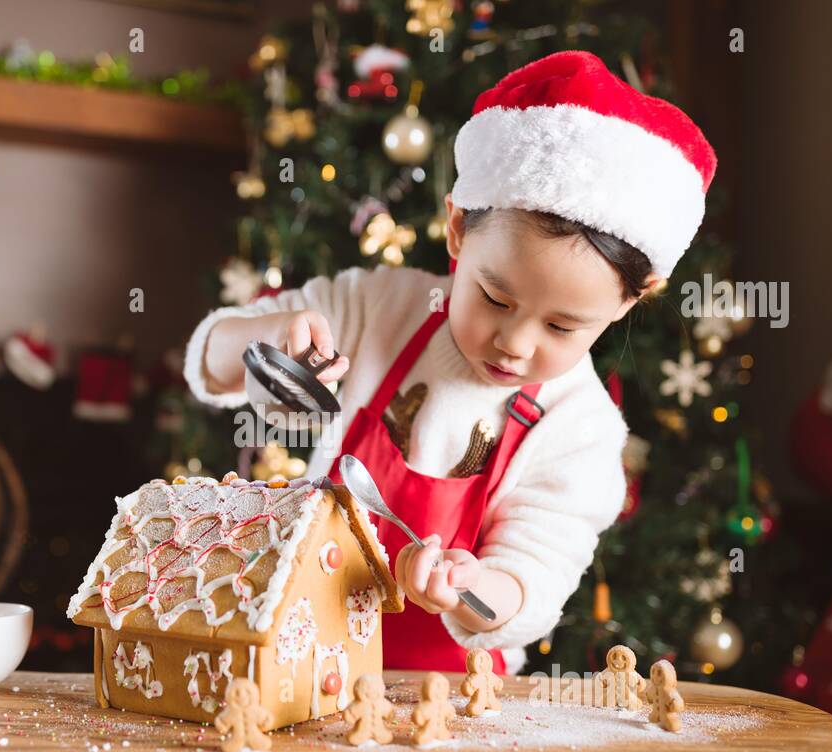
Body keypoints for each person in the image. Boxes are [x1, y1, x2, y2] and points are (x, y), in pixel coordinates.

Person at [183, 51, 717, 672]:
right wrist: (273, 338)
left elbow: (530, 588)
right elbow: (215, 364)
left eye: (562, 326)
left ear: (633, 298)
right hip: (303, 654)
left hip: (451, 701)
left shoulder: (580, 428)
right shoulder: (378, 306)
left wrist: (465, 588)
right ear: (459, 230)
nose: (515, 343)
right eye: (495, 298)